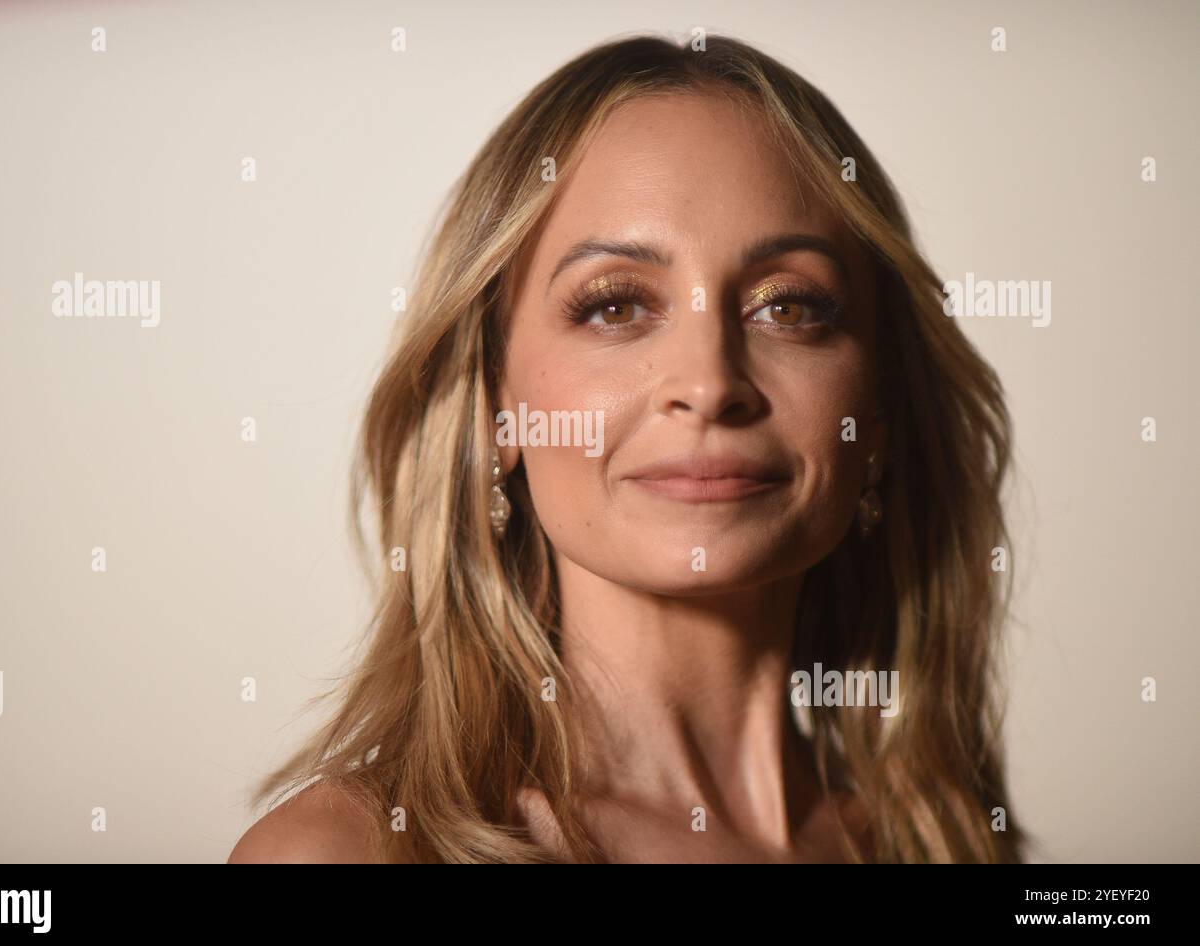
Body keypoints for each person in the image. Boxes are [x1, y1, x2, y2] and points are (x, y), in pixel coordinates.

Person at [229, 33, 1026, 864]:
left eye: (787, 306)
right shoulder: (349, 854)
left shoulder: (950, 842)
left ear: (881, 410)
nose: (710, 382)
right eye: (615, 306)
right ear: (496, 410)